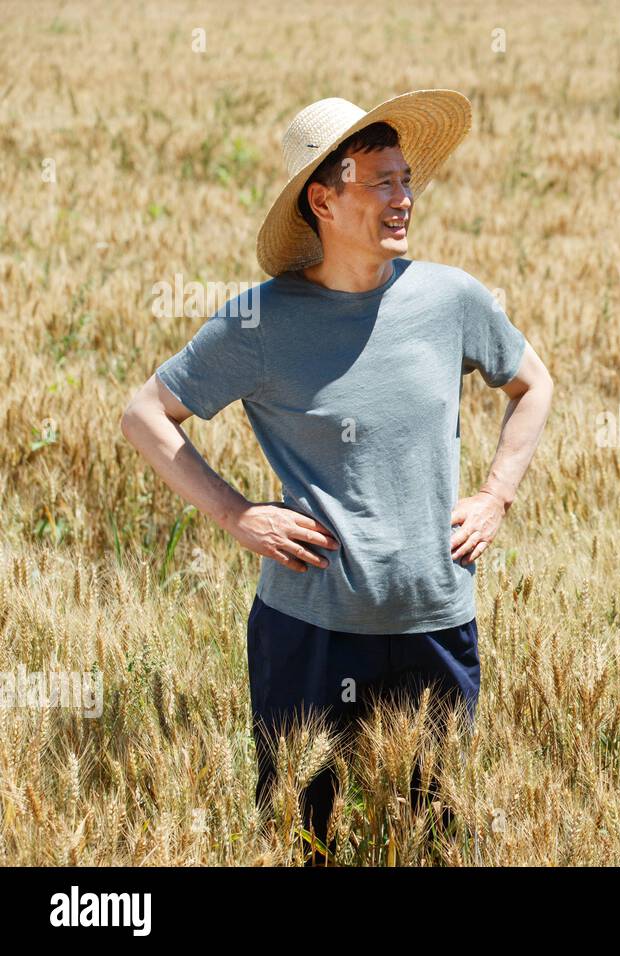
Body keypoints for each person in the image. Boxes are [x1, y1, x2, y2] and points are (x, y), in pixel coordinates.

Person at [120, 90, 554, 863]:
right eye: (380, 182)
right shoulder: (258, 322)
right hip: (308, 629)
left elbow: (533, 385)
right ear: (323, 198)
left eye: (407, 179)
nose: (403, 199)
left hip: (434, 618)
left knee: (437, 841)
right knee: (299, 840)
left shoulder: (450, 298)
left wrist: (497, 494)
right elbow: (145, 415)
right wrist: (235, 515)